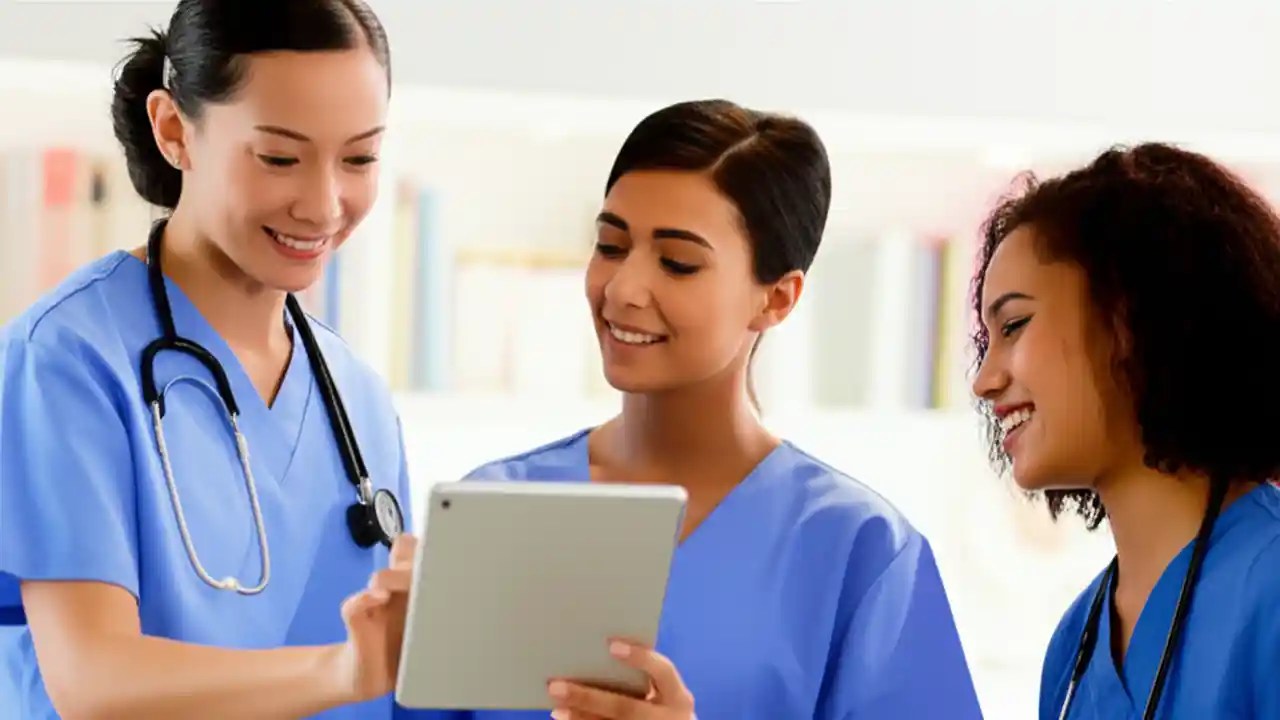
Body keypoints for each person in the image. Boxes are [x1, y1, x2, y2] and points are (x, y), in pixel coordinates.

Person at [417, 100, 983, 720]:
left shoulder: (859, 551)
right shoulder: (494, 511)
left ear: (777, 298)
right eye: (610, 246)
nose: (623, 290)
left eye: (677, 263)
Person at [0, 2, 425, 718]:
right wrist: (344, 670)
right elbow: (91, 679)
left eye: (359, 158)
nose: (324, 205)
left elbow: (402, 679)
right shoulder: (67, 361)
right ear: (174, 130)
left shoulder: (358, 399)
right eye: (280, 158)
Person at [970, 143, 1280, 719]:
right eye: (986, 342)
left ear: (1133, 317)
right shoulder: (1076, 644)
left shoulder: (1271, 588)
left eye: (1013, 325)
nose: (984, 380)